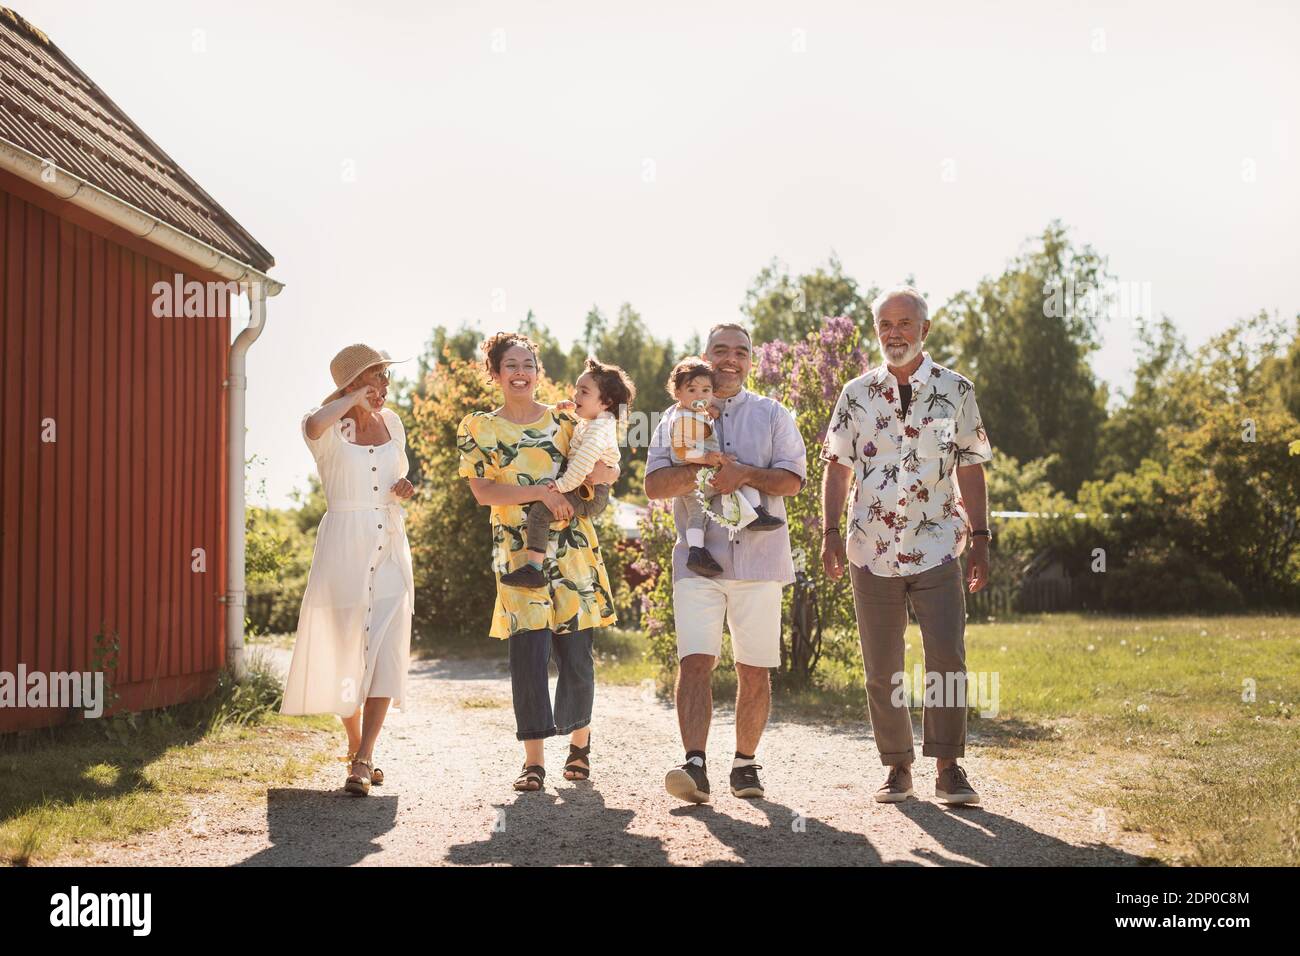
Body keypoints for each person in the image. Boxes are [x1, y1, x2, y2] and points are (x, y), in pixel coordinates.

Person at [820, 286, 993, 806]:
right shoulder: (856, 393)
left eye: (904, 323)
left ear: (925, 329)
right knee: (881, 664)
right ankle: (896, 767)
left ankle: (949, 767)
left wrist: (981, 539)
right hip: (869, 547)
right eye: (886, 325)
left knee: (946, 656)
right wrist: (829, 534)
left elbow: (970, 464)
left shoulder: (955, 390)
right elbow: (837, 464)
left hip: (938, 542)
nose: (894, 333)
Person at [645, 323, 807, 804]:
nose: (730, 359)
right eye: (721, 350)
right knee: (695, 661)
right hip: (698, 561)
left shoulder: (774, 415)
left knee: (754, 669)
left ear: (751, 360)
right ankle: (694, 766)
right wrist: (704, 469)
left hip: (760, 562)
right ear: (705, 356)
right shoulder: (673, 417)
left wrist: (744, 474)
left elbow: (793, 481)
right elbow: (654, 487)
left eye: (740, 351)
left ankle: (745, 764)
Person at [457, 333, 619, 792]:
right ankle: (533, 762)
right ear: (494, 373)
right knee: (528, 653)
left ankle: (579, 747)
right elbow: (484, 492)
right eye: (510, 365)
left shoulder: (567, 421)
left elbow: (605, 469)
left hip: (572, 549)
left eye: (528, 363)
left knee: (576, 653)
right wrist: (542, 493)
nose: (521, 372)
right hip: (515, 550)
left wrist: (580, 490)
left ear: (538, 371)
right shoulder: (478, 427)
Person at [281, 344, 416, 797]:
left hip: (391, 544)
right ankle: (358, 747)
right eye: (372, 380)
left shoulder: (394, 422)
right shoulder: (330, 426)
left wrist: (404, 487)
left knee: (387, 649)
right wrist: (351, 399)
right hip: (344, 545)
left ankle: (364, 756)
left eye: (384, 380)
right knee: (345, 649)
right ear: (351, 384)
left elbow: (396, 477)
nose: (382, 389)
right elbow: (311, 424)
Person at [499, 357, 634, 588]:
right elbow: (581, 433)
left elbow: (581, 465)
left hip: (589, 491)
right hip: (587, 485)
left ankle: (534, 569)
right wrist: (571, 411)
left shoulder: (598, 430)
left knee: (541, 512)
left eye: (584, 392)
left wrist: (559, 487)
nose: (575, 396)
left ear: (605, 402)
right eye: (577, 390)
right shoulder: (597, 421)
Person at [663, 357, 784, 578]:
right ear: (677, 393)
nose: (700, 396)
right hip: (697, 476)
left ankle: (699, 550)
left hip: (703, 476)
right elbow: (682, 452)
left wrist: (710, 413)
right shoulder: (681, 419)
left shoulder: (693, 412)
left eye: (706, 390)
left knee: (705, 508)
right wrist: (707, 457)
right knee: (735, 479)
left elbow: (701, 415)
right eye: (692, 390)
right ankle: (754, 516)